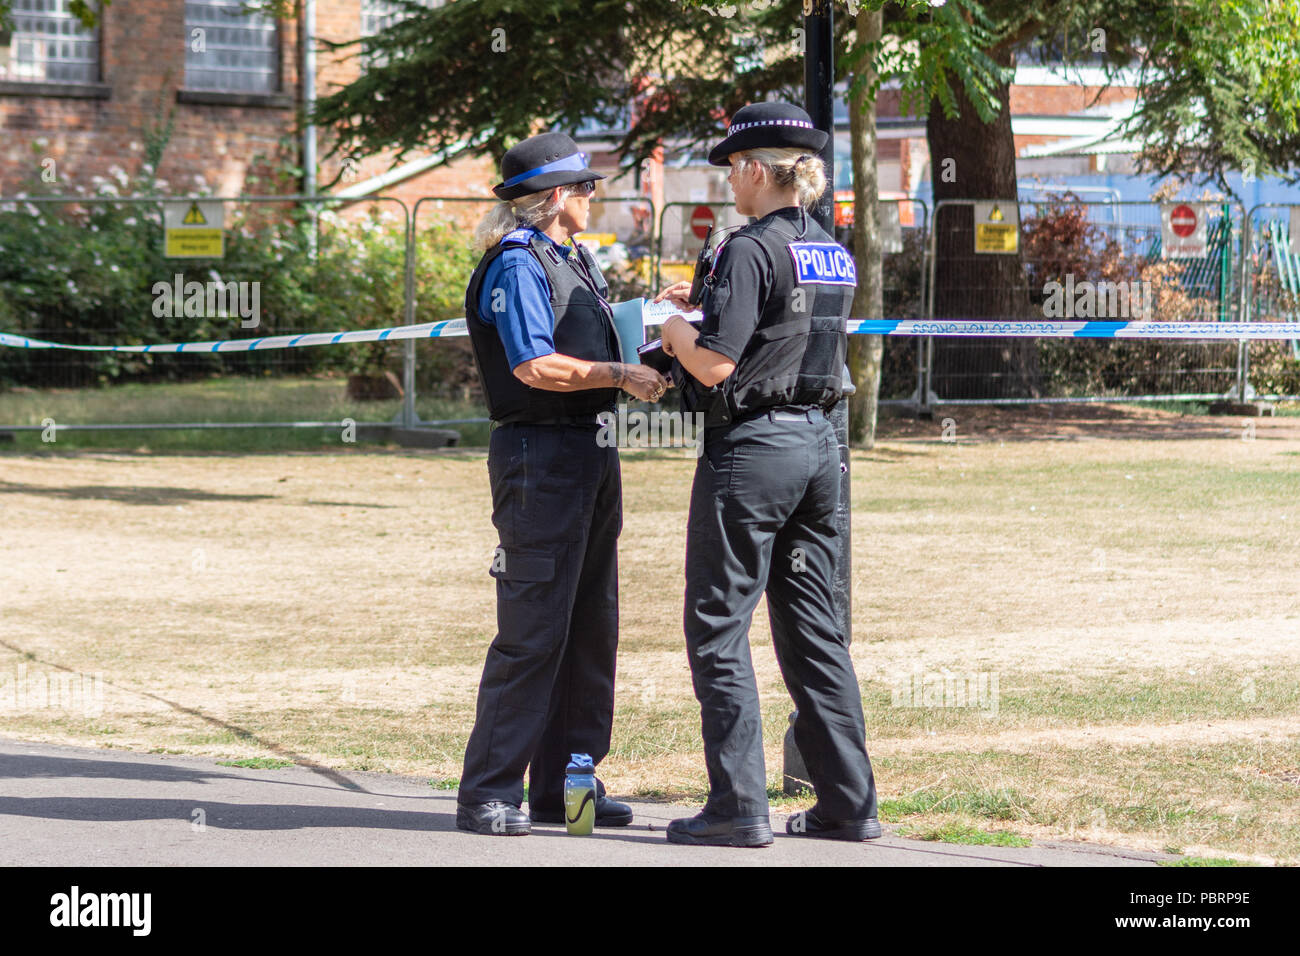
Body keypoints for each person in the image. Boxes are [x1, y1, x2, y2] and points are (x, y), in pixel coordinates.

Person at [654, 102, 881, 847]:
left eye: (731, 170)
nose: (729, 185)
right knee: (816, 633)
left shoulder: (747, 248)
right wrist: (713, 309)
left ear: (756, 169)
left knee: (718, 629)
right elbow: (784, 327)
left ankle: (737, 807)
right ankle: (848, 805)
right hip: (821, 447)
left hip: (752, 451)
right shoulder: (831, 248)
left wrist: (674, 328)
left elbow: (717, 365)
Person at [456, 131, 669, 836]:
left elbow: (590, 339)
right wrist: (619, 376)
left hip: (589, 454)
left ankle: (568, 793)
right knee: (531, 632)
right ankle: (488, 792)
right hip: (538, 461)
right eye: (583, 187)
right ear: (552, 198)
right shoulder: (518, 264)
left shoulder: (570, 258)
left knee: (588, 632)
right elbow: (532, 366)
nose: (591, 196)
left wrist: (655, 321)